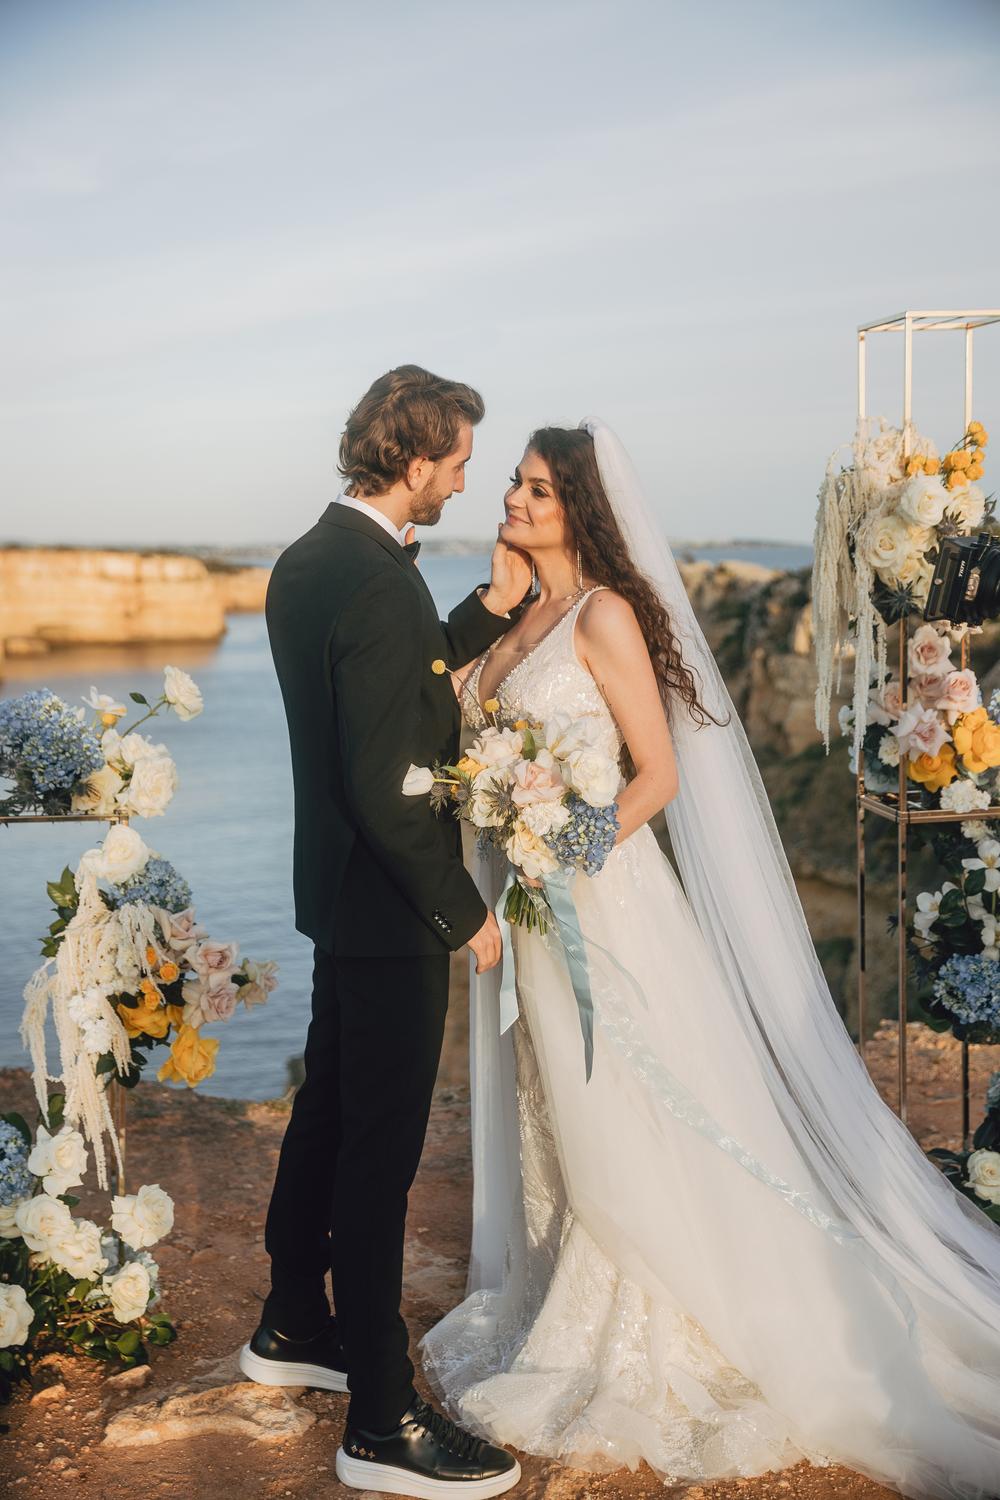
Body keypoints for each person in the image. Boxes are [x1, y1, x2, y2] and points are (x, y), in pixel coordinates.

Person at [420, 421, 1000, 1499]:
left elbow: (654, 774)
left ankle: (657, 1298)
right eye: (514, 482)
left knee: (625, 1092)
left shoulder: (604, 614)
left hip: (600, 899)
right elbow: (454, 714)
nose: (515, 498)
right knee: (558, 1095)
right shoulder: (526, 614)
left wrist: (565, 842)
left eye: (540, 491)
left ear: (582, 511)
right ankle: (567, 1278)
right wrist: (495, 610)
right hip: (528, 900)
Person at [241, 365, 528, 1498]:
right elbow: (385, 779)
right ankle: (380, 1417)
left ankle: (287, 1324)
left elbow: (395, 695)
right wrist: (463, 915)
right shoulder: (373, 584)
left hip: (338, 898)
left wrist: (485, 611)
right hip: (394, 905)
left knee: (326, 1116)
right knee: (378, 1154)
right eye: (456, 462)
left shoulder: (314, 561)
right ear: (414, 463)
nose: (464, 481)